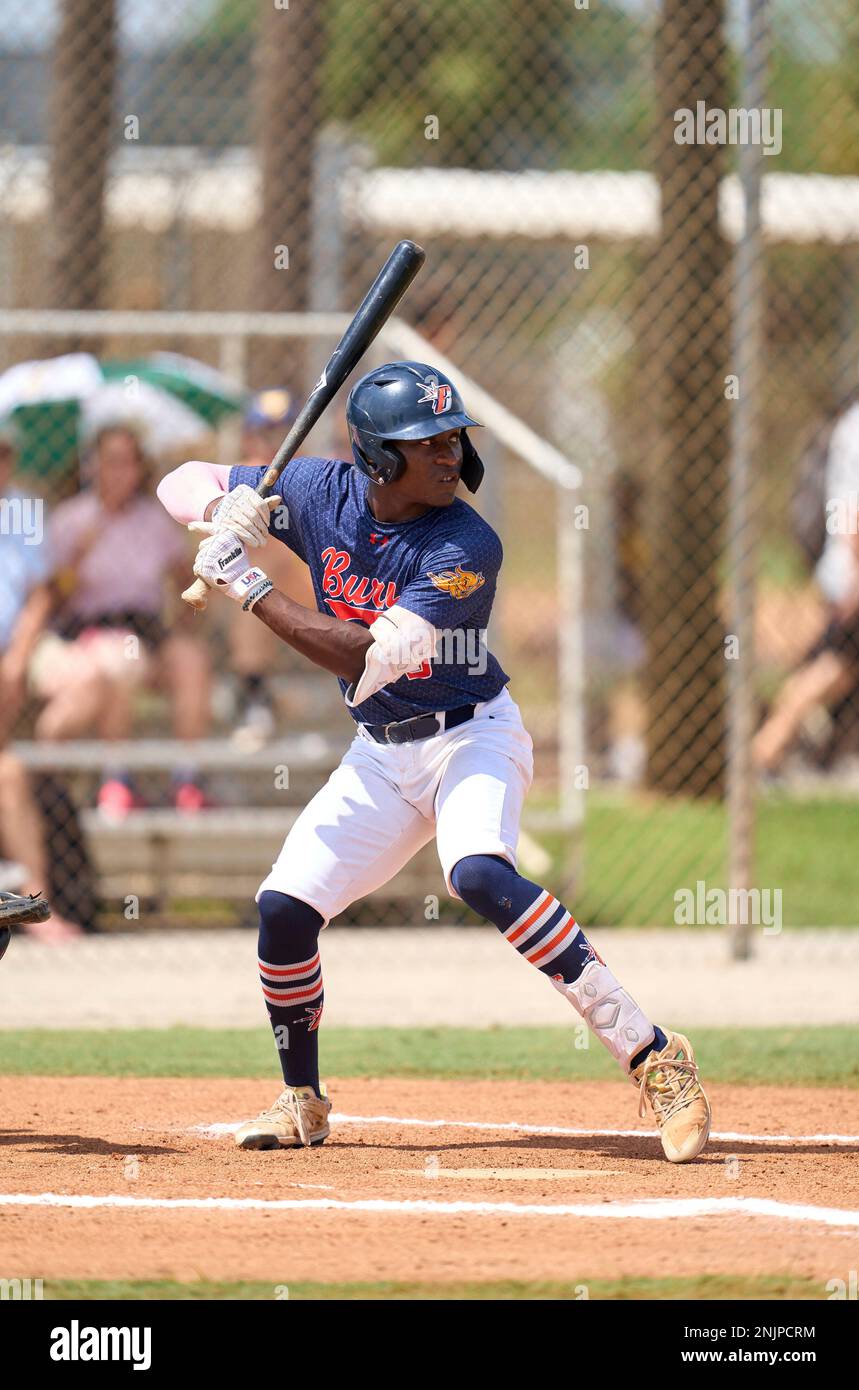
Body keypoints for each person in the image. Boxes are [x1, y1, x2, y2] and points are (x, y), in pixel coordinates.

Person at [158, 361, 712, 1164]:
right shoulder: (317, 493)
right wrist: (223, 506)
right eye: (428, 442)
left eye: (453, 437)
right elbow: (182, 477)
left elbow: (362, 659)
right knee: (282, 909)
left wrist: (251, 587)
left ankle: (656, 1055)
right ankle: (302, 1099)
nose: (450, 453)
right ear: (379, 458)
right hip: (379, 758)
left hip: (471, 737)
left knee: (480, 874)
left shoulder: (465, 544)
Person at [33, 425, 212, 814]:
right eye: (110, 461)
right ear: (92, 466)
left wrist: (183, 621)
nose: (119, 472)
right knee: (118, 659)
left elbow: (187, 582)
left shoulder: (153, 521)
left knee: (190, 659)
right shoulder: (71, 519)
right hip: (91, 630)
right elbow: (53, 599)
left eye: (128, 463)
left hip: (145, 629)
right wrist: (78, 558)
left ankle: (188, 779)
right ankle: (117, 778)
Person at [754, 378, 859, 773]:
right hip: (857, 573)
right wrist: (855, 577)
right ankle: (765, 748)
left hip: (847, 569)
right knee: (835, 665)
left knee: (839, 667)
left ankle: (772, 744)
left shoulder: (850, 425)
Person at [0, 423, 82, 939]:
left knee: (87, 676)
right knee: (7, 774)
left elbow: (42, 594)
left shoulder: (20, 508)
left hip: (21, 650)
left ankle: (65, 760)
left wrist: (16, 656)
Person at [225, 391, 315, 745]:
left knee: (274, 562)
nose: (277, 445)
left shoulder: (316, 476)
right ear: (250, 439)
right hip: (253, 602)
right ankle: (254, 695)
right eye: (267, 435)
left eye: (284, 435)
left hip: (318, 592)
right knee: (257, 571)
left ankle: (255, 693)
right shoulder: (236, 482)